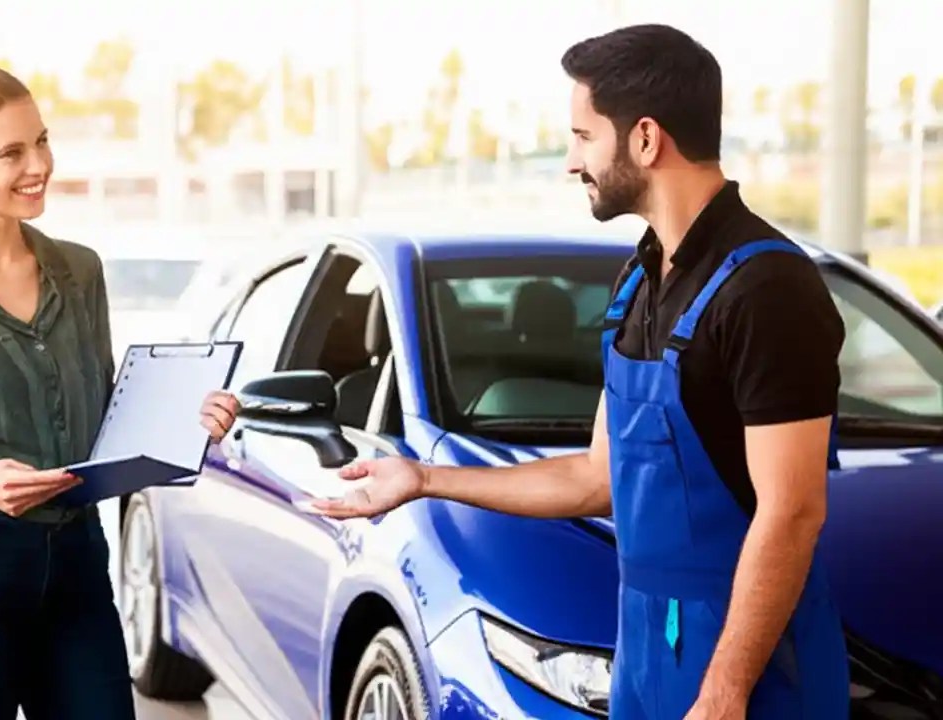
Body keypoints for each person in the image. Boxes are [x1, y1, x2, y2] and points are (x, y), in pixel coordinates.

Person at [308, 24, 849, 720]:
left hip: (757, 670)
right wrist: (424, 480)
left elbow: (794, 511)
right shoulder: (642, 279)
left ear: (646, 139)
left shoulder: (767, 289)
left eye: (583, 135)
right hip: (649, 651)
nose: (571, 161)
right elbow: (597, 478)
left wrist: (725, 691)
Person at [0, 63, 239, 719]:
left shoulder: (79, 271)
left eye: (43, 141)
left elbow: (101, 416)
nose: (40, 165)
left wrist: (188, 417)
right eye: (12, 152)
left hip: (78, 570)